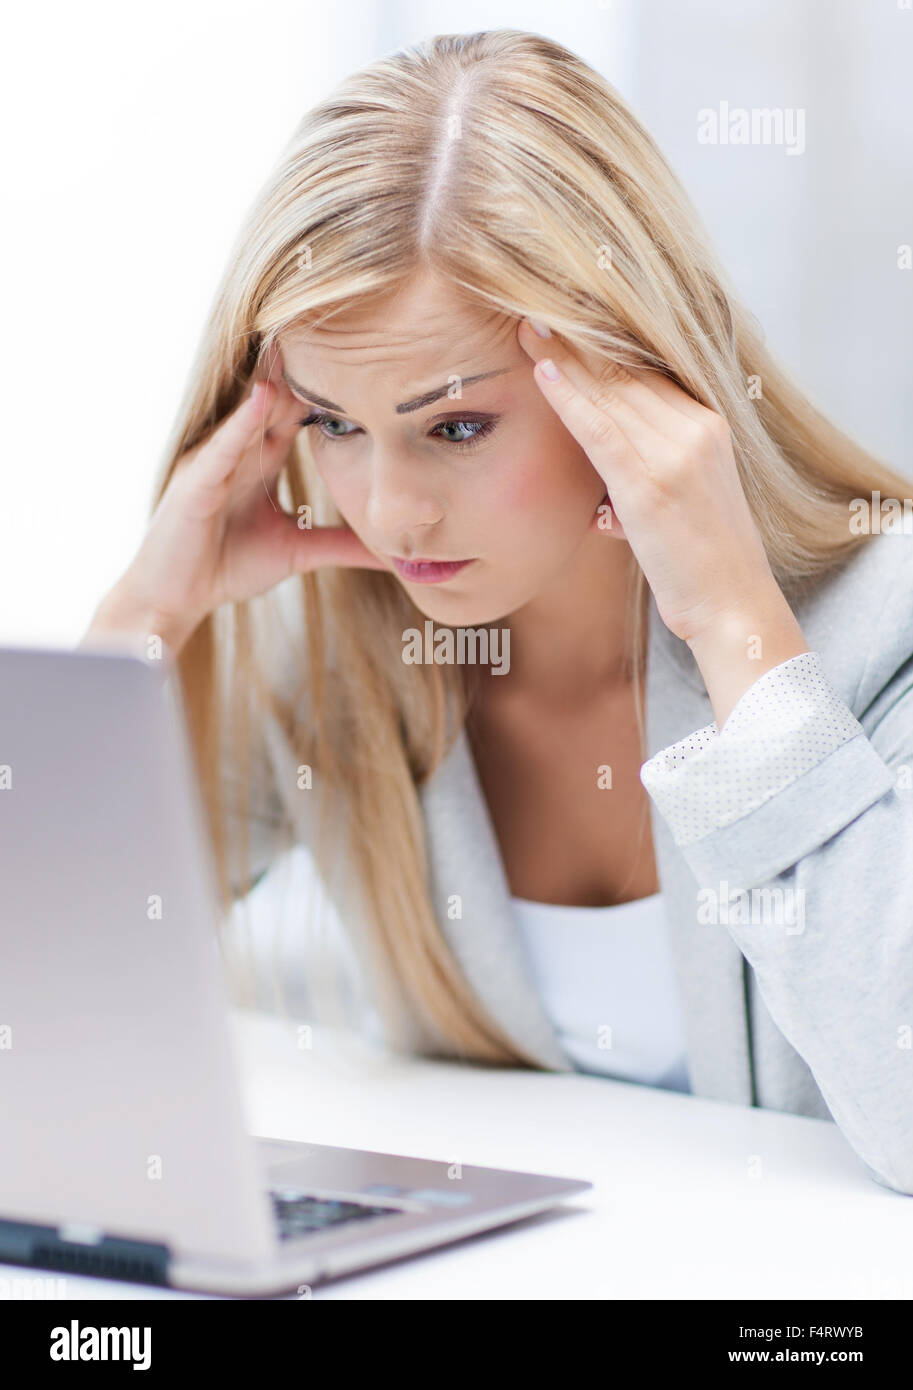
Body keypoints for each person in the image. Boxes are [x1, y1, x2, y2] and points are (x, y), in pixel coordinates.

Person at [81, 30, 913, 1193]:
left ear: (632, 369)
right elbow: (41, 1006)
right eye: (331, 423)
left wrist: (734, 623)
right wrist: (143, 618)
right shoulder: (336, 658)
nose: (388, 512)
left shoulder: (887, 633)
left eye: (455, 426)